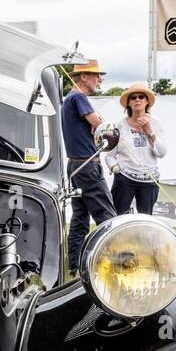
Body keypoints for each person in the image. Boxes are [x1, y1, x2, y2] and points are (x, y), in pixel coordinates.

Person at [62, 60, 116, 274]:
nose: (100, 80)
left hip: (75, 165)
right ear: (83, 77)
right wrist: (100, 122)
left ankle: (73, 266)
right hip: (87, 166)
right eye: (96, 76)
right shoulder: (78, 97)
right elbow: (100, 124)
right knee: (107, 216)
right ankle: (115, 263)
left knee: (79, 220)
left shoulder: (69, 99)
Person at [107, 83, 167, 215]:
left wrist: (149, 131)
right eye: (133, 97)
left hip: (149, 179)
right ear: (128, 103)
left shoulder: (156, 124)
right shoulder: (120, 126)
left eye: (141, 97)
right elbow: (109, 155)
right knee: (118, 216)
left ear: (147, 102)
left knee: (146, 218)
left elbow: (162, 153)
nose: (137, 100)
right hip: (124, 177)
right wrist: (114, 168)